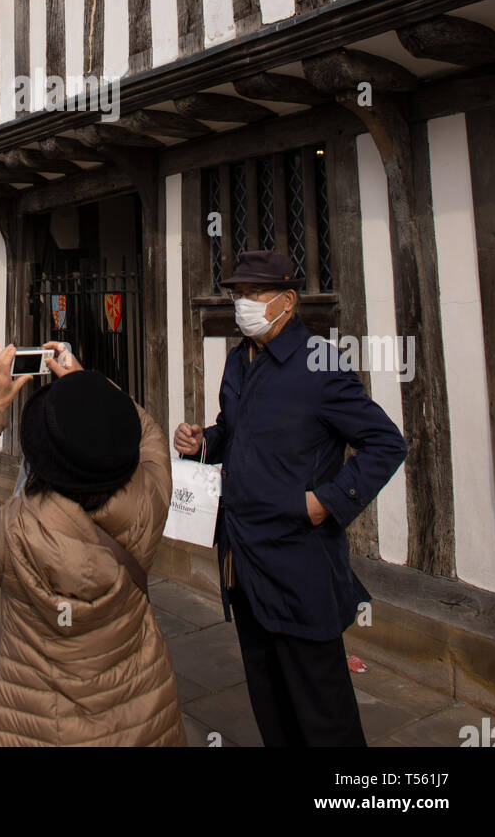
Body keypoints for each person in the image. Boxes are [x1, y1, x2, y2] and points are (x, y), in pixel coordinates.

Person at [174, 250, 407, 748]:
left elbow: (386, 443)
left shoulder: (319, 364)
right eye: (237, 294)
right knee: (269, 699)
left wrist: (326, 501)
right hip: (242, 557)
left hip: (298, 563)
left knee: (322, 712)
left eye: (253, 294)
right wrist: (207, 442)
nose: (242, 304)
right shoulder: (240, 359)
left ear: (287, 300)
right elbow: (239, 432)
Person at [0, 339, 187, 747]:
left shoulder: (15, 535)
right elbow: (147, 433)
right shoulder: (149, 501)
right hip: (142, 717)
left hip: (41, 727)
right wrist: (87, 385)